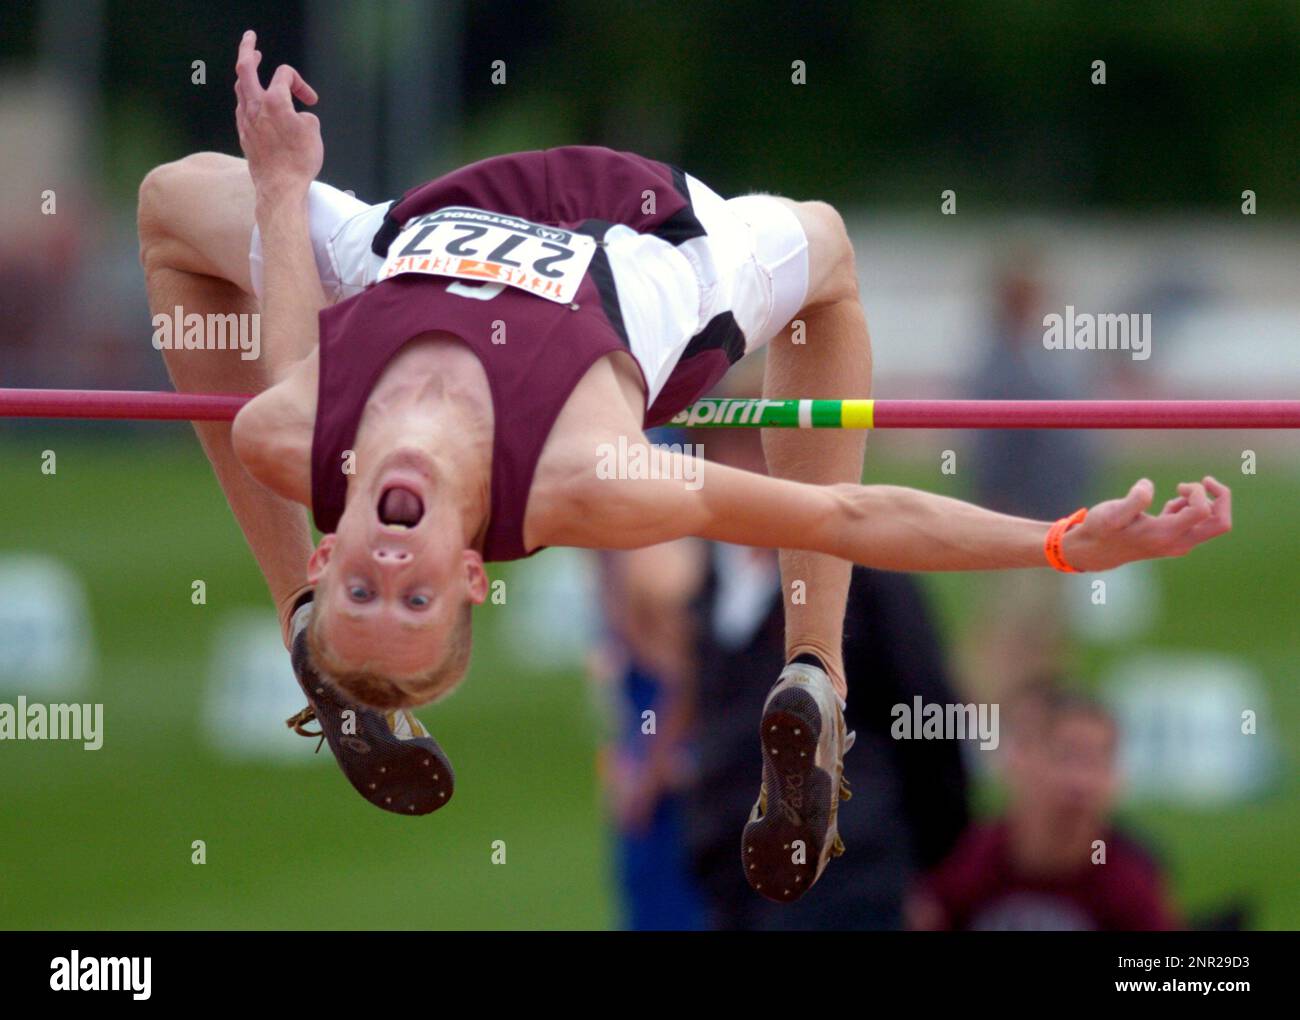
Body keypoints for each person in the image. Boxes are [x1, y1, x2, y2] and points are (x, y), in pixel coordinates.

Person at [136, 32, 1233, 901]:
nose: (386, 558)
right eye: (412, 592)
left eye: (358, 588)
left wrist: (281, 183)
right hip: (647, 248)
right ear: (469, 574)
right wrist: (1053, 541)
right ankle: (816, 672)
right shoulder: (586, 477)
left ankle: (303, 642)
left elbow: (278, 340)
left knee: (172, 198)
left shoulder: (288, 433)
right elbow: (846, 513)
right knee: (827, 255)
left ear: (326, 551)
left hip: (410, 235)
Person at [909, 686, 1181, 930]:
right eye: (1065, 756)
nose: (1081, 783)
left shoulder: (1126, 881)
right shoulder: (964, 859)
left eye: (1098, 761)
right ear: (1018, 760)